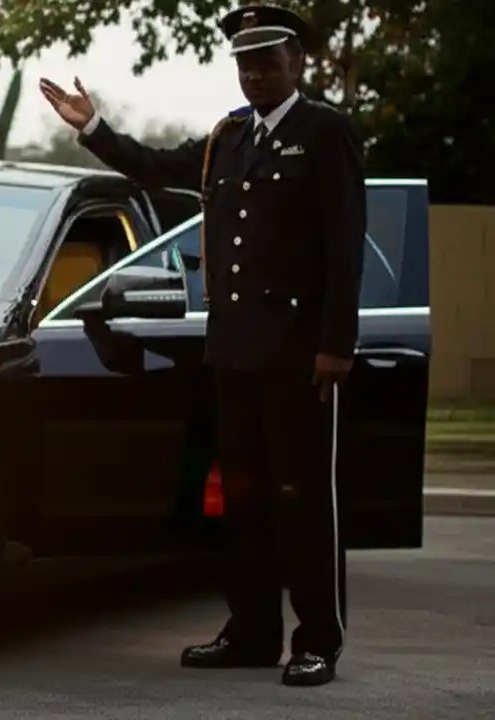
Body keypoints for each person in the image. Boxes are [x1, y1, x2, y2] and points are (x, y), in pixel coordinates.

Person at [39, 3, 365, 687]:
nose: (255, 74)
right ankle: (250, 632)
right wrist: (93, 128)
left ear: (296, 62)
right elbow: (155, 168)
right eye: (245, 64)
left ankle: (317, 639)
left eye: (267, 61)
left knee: (302, 498)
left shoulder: (325, 132)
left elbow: (343, 244)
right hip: (237, 349)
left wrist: (336, 344)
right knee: (242, 497)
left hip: (300, 349)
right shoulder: (229, 138)